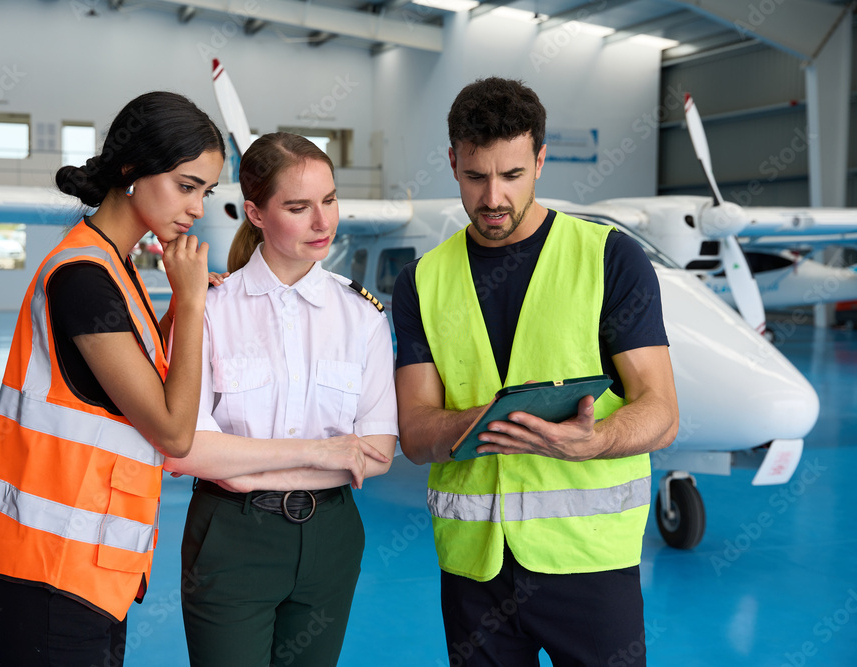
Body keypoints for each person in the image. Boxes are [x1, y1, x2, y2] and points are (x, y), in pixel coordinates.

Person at [391, 77, 680, 666]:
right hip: (474, 569)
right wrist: (491, 420)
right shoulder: (421, 281)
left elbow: (661, 412)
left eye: (512, 175)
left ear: (541, 160)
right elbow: (416, 437)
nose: (492, 197)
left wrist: (595, 441)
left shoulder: (608, 257)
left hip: (591, 563)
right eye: (475, 176)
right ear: (452, 162)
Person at [0, 91, 226, 667]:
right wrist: (194, 306)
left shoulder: (113, 265)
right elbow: (173, 431)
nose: (198, 208)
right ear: (131, 170)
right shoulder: (83, 278)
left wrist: (177, 306)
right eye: (186, 185)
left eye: (206, 190)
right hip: (44, 571)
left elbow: (135, 388)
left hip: (80, 571)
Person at [164, 132, 397, 667]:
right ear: (256, 213)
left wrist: (243, 464)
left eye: (330, 200)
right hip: (231, 537)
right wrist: (323, 452)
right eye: (298, 207)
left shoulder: (361, 316)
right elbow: (186, 450)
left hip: (332, 538)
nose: (323, 222)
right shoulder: (209, 311)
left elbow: (378, 452)